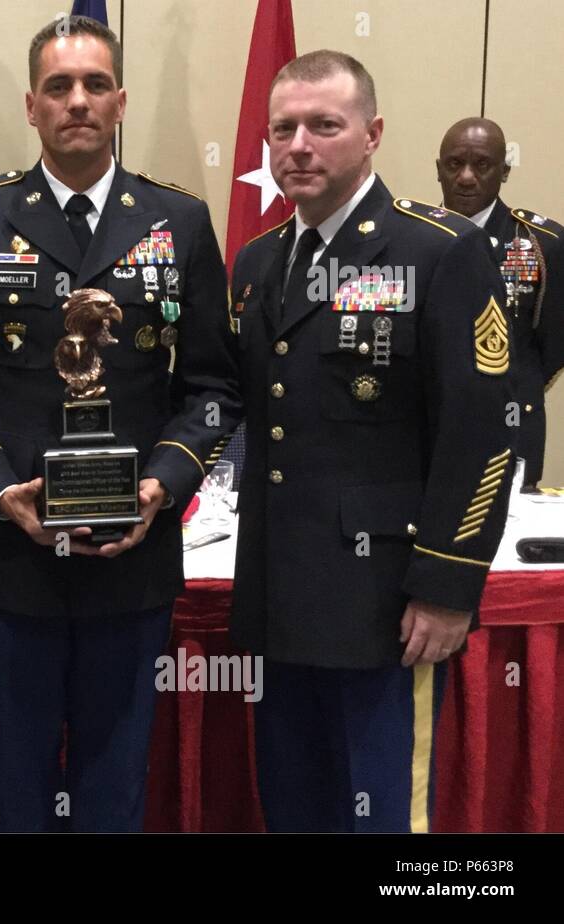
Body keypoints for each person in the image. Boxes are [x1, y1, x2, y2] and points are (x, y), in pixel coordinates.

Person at [0, 15, 242, 832]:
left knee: (115, 778)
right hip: (14, 556)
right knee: (21, 781)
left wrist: (162, 486)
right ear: (31, 106)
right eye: (59, 87)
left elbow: (211, 390)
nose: (78, 102)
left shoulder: (180, 222)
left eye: (95, 84)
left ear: (121, 100)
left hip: (134, 558)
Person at [228, 50, 515, 832]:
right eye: (283, 129)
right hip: (278, 598)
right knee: (294, 804)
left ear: (372, 134)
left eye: (325, 125)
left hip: (386, 605)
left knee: (382, 812)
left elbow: (484, 433)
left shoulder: (439, 251)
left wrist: (448, 583)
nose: (299, 146)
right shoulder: (257, 264)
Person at [436, 116, 564, 488]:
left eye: (482, 165)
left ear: (504, 172)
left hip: (509, 422)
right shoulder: (413, 239)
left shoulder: (544, 245)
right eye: (455, 164)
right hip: (427, 421)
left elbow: (551, 346)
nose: (466, 177)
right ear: (439, 170)